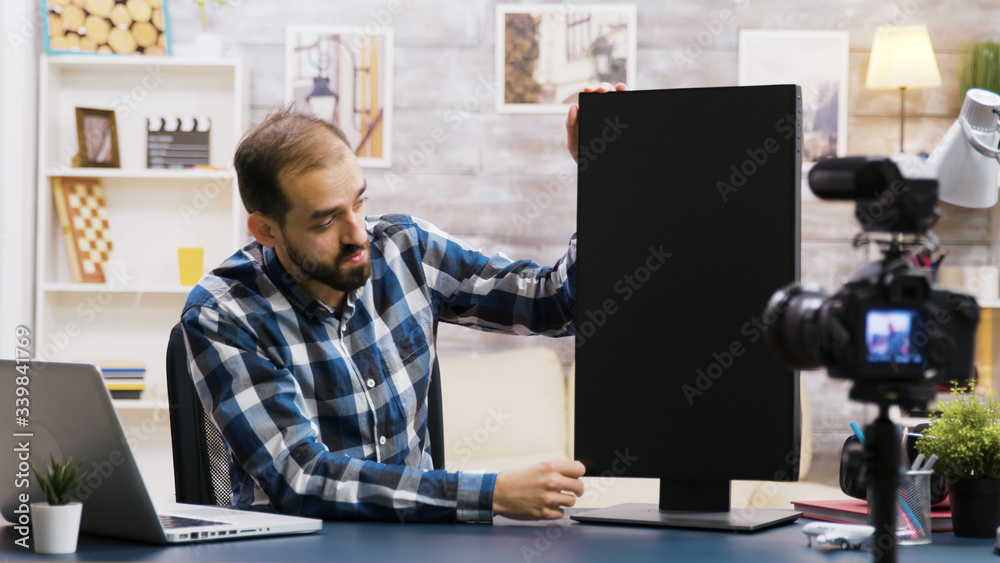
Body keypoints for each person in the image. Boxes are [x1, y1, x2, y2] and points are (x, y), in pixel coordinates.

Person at [180, 83, 628, 523]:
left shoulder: (404, 249)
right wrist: (488, 493)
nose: (358, 234)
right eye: (326, 220)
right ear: (266, 231)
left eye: (359, 203)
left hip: (417, 544)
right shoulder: (224, 313)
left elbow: (556, 304)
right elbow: (299, 479)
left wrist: (602, 176)